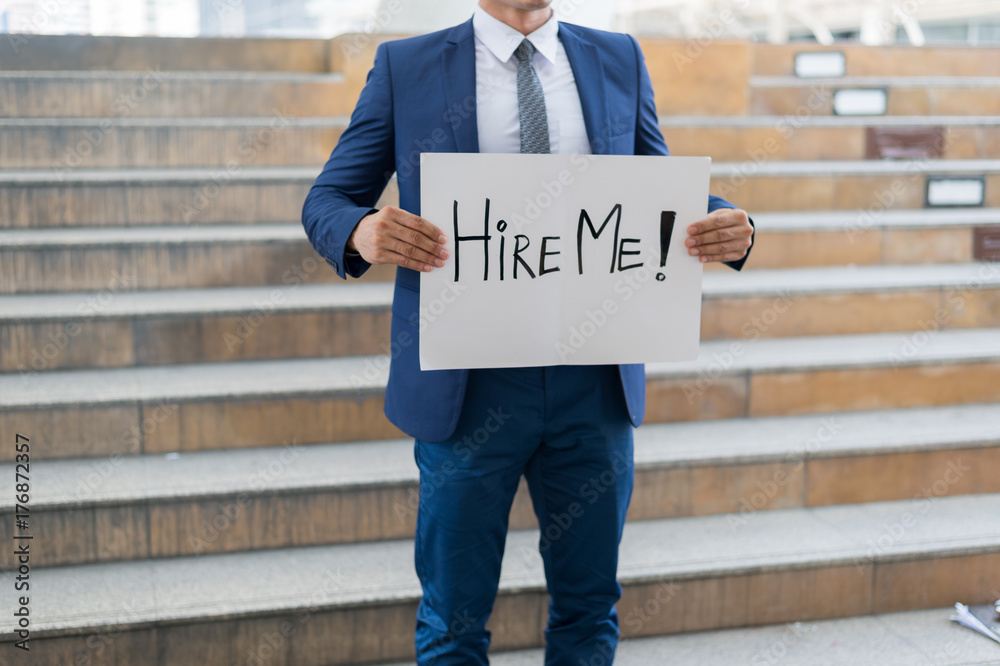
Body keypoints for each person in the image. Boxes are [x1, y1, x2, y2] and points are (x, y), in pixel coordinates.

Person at [302, 1, 754, 663]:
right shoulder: (409, 66)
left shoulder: (617, 57)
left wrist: (725, 222)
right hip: (467, 386)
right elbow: (327, 200)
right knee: (453, 621)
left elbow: (655, 187)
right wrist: (364, 231)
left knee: (590, 609)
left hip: (593, 379)